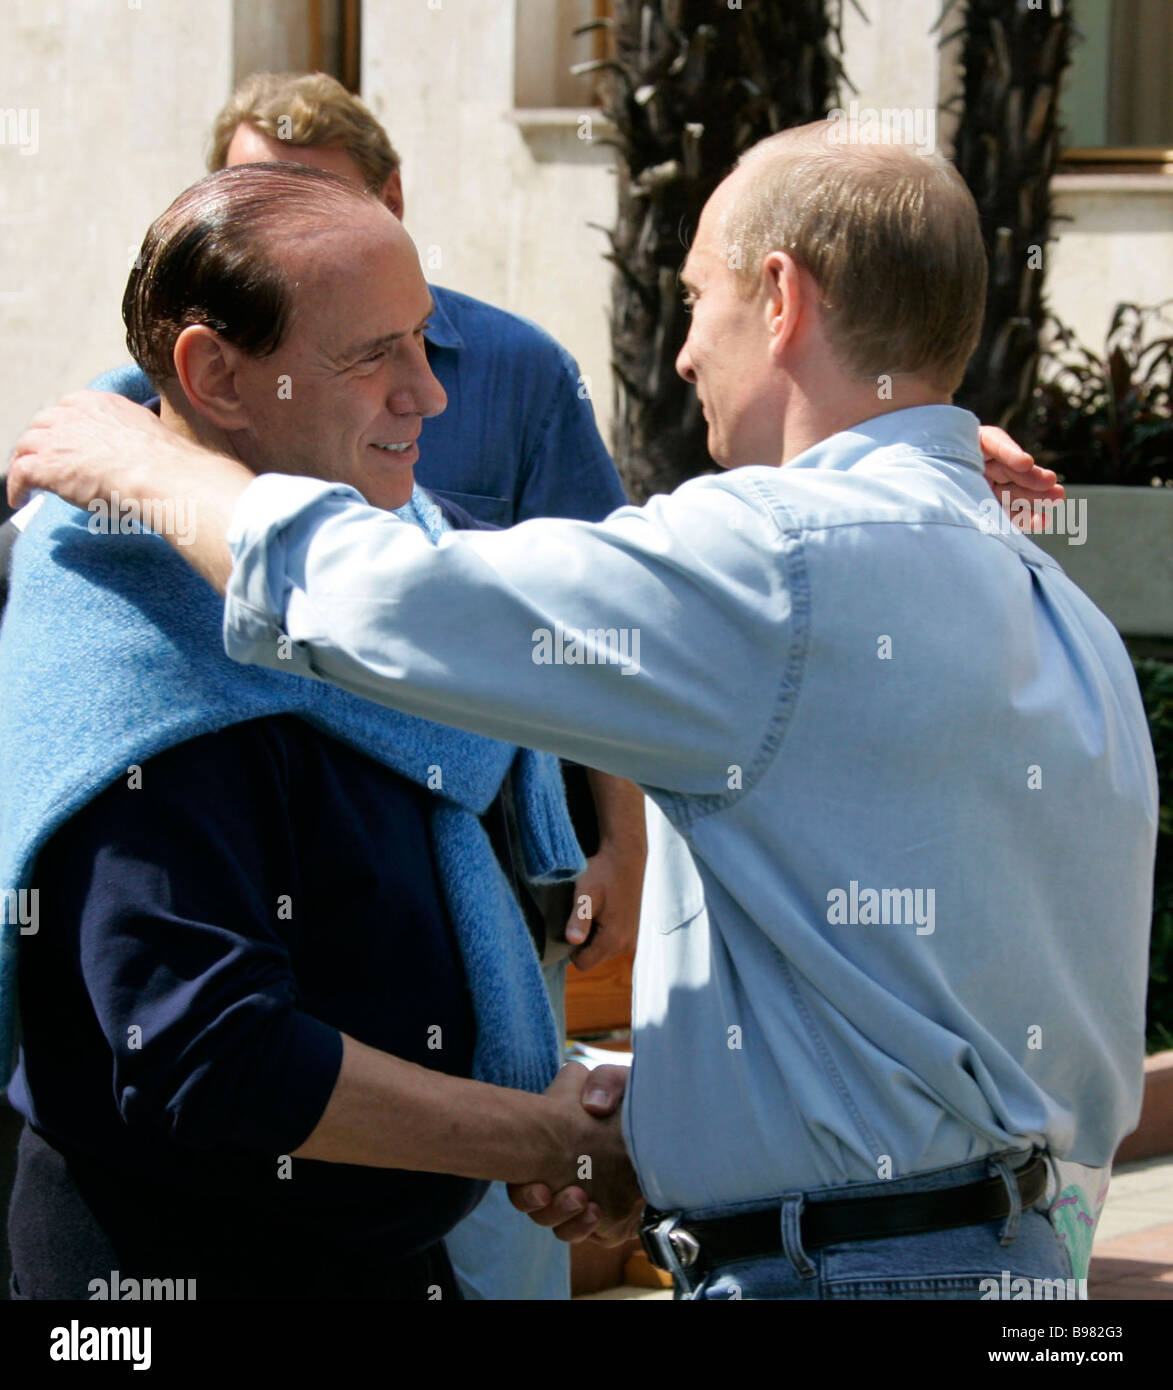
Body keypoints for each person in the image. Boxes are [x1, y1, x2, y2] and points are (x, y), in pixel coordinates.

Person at [13, 123, 1150, 1302]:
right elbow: (205, 1044)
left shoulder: (788, 566)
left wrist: (144, 463)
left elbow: (384, 600)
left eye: (695, 296)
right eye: (378, 353)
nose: (680, 355)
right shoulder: (1039, 595)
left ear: (779, 298)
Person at [60, 69, 653, 1301]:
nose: (431, 392)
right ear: (216, 376)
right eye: (374, 356)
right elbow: (211, 1051)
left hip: (388, 1259)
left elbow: (614, 614)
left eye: (426, 343)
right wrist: (539, 1135)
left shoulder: (413, 551)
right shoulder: (129, 628)